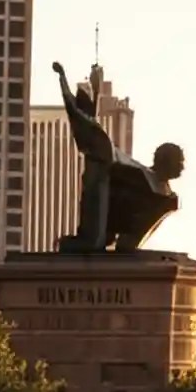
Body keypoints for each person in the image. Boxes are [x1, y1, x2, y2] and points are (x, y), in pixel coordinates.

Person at [52, 61, 183, 252]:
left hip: (121, 222)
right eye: (178, 162)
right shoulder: (104, 145)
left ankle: (98, 238)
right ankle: (94, 238)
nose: (182, 167)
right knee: (95, 238)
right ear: (164, 160)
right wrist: (62, 78)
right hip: (102, 191)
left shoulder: (162, 190)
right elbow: (73, 109)